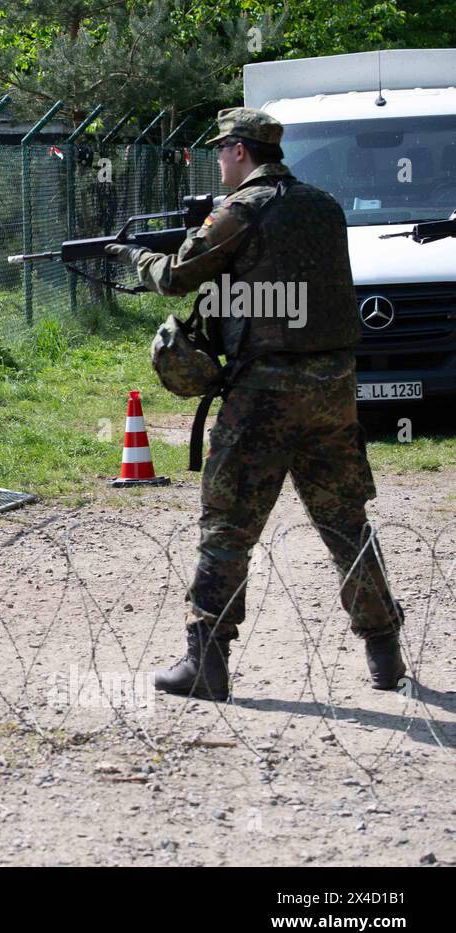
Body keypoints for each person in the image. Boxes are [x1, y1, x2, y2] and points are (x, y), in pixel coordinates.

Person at [106, 107, 405, 700]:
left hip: (265, 394)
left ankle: (206, 662)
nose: (218, 160)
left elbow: (175, 278)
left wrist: (132, 256)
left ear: (241, 151)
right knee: (346, 522)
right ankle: (384, 654)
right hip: (333, 389)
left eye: (222, 150)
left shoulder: (242, 208)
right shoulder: (324, 205)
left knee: (228, 526)